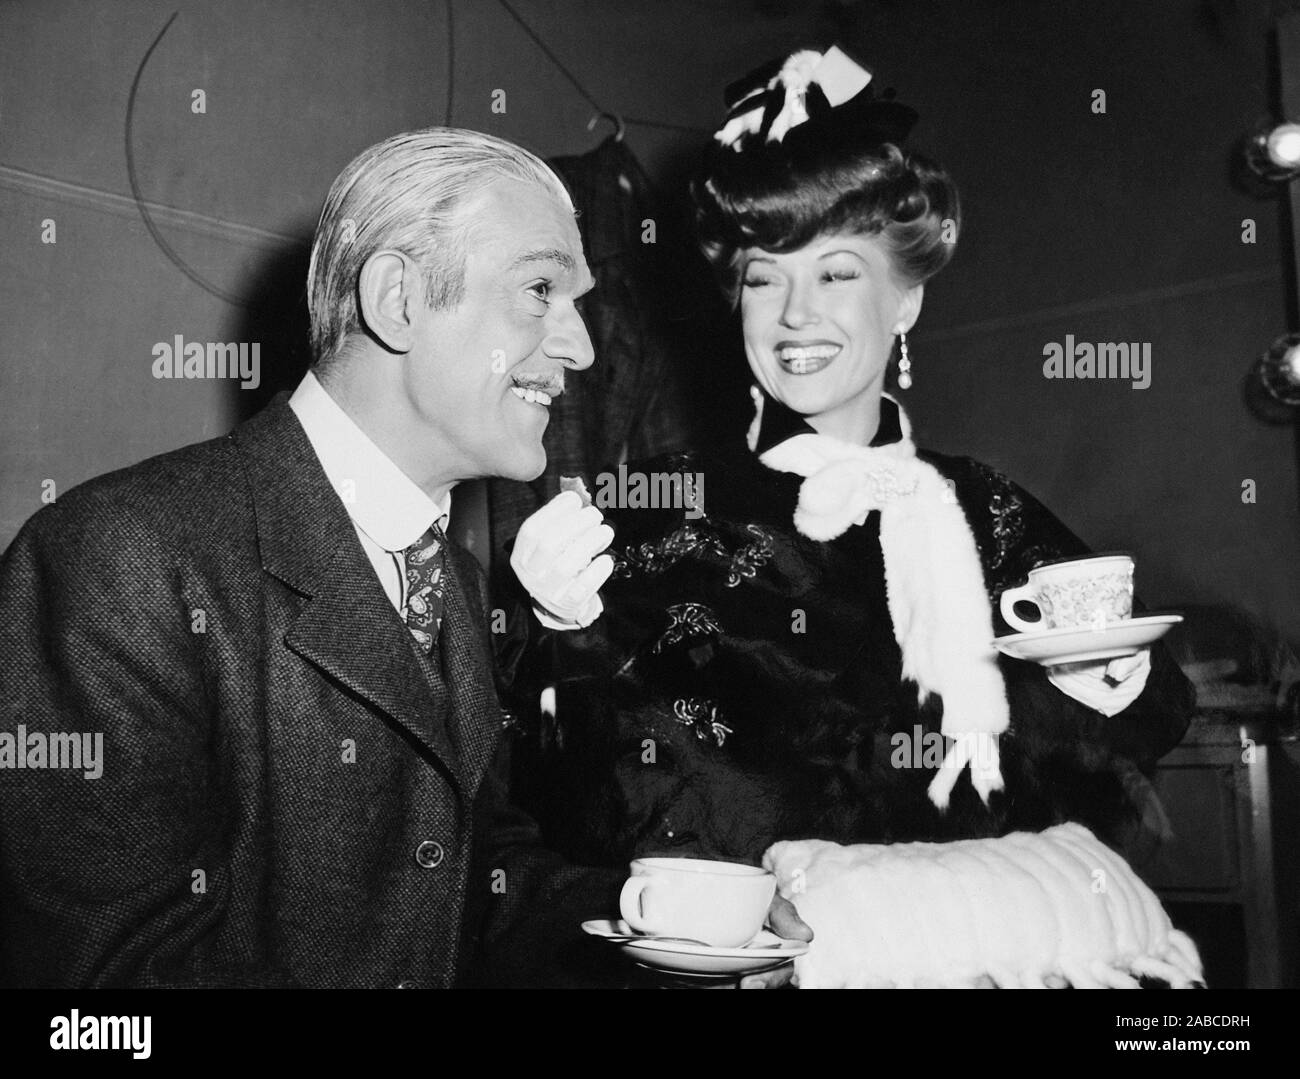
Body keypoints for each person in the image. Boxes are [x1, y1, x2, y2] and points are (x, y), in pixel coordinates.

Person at [505, 48, 1195, 877]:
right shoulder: (645, 515)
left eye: (836, 272)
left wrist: (1105, 675)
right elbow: (570, 802)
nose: (796, 314)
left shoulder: (992, 514)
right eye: (765, 279)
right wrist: (556, 639)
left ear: (905, 298)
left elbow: (1132, 745)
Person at [0, 127, 655, 987]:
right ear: (398, 299)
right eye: (540, 290)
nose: (582, 348)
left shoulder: (450, 577)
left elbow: (464, 885)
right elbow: (91, 1004)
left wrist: (657, 918)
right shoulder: (120, 555)